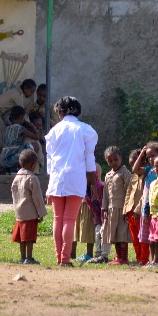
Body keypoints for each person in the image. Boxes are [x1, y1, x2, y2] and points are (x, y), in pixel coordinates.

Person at [45, 96, 98, 267]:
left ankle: (59, 257)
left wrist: (49, 184)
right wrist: (92, 177)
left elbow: (50, 160)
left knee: (58, 218)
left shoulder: (54, 131)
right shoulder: (86, 130)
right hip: (76, 178)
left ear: (61, 111)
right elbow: (89, 156)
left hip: (56, 178)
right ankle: (66, 258)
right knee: (69, 219)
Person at [10, 149, 47, 265]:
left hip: (19, 213)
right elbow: (37, 198)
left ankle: (22, 257)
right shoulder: (32, 178)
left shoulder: (16, 177)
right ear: (32, 164)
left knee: (22, 237)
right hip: (30, 213)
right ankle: (29, 258)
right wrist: (41, 213)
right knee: (29, 237)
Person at [0, 79, 37, 151]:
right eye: (31, 92)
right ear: (25, 88)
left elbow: (6, 114)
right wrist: (30, 124)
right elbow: (23, 113)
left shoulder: (15, 92)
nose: (31, 94)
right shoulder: (17, 95)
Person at [101, 146, 133, 266]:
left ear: (121, 158)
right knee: (114, 234)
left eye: (115, 159)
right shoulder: (108, 175)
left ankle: (124, 258)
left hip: (122, 209)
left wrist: (127, 208)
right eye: (110, 161)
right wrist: (104, 208)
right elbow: (105, 194)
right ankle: (118, 257)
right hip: (111, 209)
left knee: (122, 233)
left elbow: (130, 191)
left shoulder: (125, 173)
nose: (113, 162)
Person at [134, 143, 158, 260]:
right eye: (148, 156)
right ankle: (153, 259)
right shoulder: (149, 170)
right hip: (147, 206)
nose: (151, 159)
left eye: (153, 155)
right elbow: (135, 169)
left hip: (157, 208)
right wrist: (141, 154)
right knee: (150, 236)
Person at [123, 149, 148, 265]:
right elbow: (128, 193)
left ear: (142, 163)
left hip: (140, 212)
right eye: (131, 164)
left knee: (142, 237)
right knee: (135, 239)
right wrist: (125, 210)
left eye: (135, 164)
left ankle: (144, 259)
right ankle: (138, 258)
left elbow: (145, 195)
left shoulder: (147, 175)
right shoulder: (133, 177)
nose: (133, 167)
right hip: (130, 211)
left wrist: (138, 209)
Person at [0, 106, 42, 172]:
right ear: (22, 118)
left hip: (3, 158)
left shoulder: (7, 128)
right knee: (35, 145)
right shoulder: (20, 128)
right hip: (11, 158)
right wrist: (32, 126)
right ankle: (19, 167)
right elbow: (37, 137)